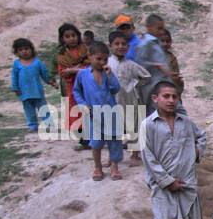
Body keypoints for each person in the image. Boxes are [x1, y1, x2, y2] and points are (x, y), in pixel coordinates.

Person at [140, 81, 207, 219]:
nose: (170, 100)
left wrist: (195, 154)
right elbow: (148, 157)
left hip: (187, 183)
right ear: (155, 99)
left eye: (174, 97)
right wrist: (167, 182)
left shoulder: (185, 122)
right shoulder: (148, 125)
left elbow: (201, 136)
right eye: (166, 96)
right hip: (163, 186)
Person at [72, 41, 123, 180]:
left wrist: (110, 75)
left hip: (111, 113)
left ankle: (114, 166)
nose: (102, 62)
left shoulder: (108, 73)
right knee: (96, 143)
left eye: (105, 59)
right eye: (98, 58)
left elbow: (116, 88)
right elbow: (76, 92)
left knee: (114, 141)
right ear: (89, 57)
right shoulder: (82, 74)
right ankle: (97, 167)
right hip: (93, 114)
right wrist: (82, 104)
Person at [108, 29, 149, 160]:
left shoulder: (131, 64)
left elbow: (146, 76)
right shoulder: (107, 63)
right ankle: (113, 156)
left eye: (124, 44)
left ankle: (134, 154)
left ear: (128, 46)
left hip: (130, 98)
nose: (121, 47)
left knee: (133, 125)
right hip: (113, 99)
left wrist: (134, 84)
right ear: (111, 46)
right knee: (113, 126)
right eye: (117, 44)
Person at [56, 22, 89, 147]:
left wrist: (73, 70)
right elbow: (62, 72)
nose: (71, 38)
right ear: (62, 39)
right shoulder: (62, 55)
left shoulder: (85, 49)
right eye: (67, 36)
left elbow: (91, 66)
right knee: (77, 111)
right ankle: (84, 140)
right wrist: (73, 70)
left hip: (87, 85)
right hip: (72, 87)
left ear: (78, 35)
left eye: (73, 35)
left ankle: (94, 137)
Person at [9, 38, 53, 133]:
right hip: (24, 92)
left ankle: (48, 124)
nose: (24, 51)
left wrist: (51, 82)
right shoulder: (17, 64)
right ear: (16, 52)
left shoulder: (37, 62)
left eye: (26, 49)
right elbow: (14, 76)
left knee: (43, 108)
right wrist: (15, 88)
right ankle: (33, 125)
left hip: (38, 91)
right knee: (29, 110)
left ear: (32, 50)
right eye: (20, 50)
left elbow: (44, 74)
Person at [130, 14, 170, 115]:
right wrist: (155, 65)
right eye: (159, 28)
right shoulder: (145, 44)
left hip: (162, 84)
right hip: (153, 87)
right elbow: (139, 65)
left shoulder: (155, 42)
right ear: (149, 27)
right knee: (157, 115)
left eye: (162, 28)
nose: (161, 31)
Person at [155, 28, 183, 94]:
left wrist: (178, 80)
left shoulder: (172, 58)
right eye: (162, 41)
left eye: (167, 41)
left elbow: (176, 75)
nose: (165, 44)